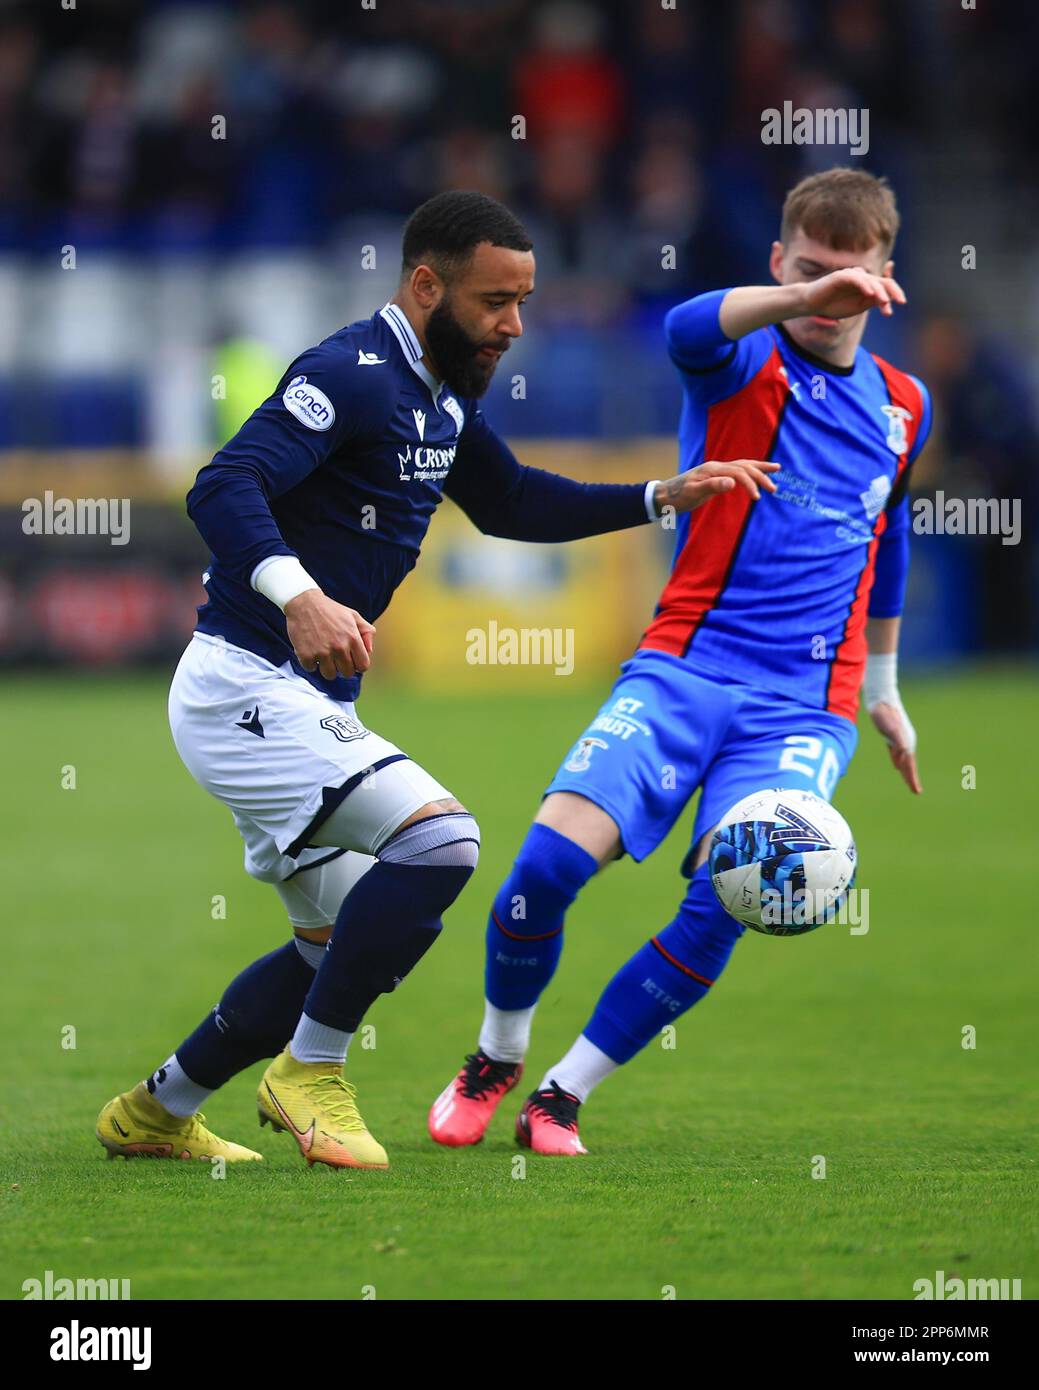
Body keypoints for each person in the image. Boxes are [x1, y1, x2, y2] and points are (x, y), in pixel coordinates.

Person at [94, 189, 771, 1171]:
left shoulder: (442, 392)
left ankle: (158, 1110)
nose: (515, 325)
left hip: (300, 700)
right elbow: (222, 484)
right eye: (497, 301)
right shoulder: (351, 372)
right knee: (442, 840)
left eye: (524, 301)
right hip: (242, 686)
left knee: (335, 946)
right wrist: (300, 598)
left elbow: (506, 501)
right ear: (424, 285)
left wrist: (658, 495)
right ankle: (311, 1071)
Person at [430, 168, 931, 1156]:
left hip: (803, 708)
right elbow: (683, 330)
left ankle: (563, 1095)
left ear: (886, 278)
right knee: (539, 870)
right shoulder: (742, 365)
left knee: (728, 897)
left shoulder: (904, 402)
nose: (830, 295)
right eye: (809, 272)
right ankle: (496, 1054)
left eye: (851, 277)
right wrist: (799, 301)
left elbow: (893, 528)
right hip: (682, 668)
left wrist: (883, 685)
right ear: (779, 265)